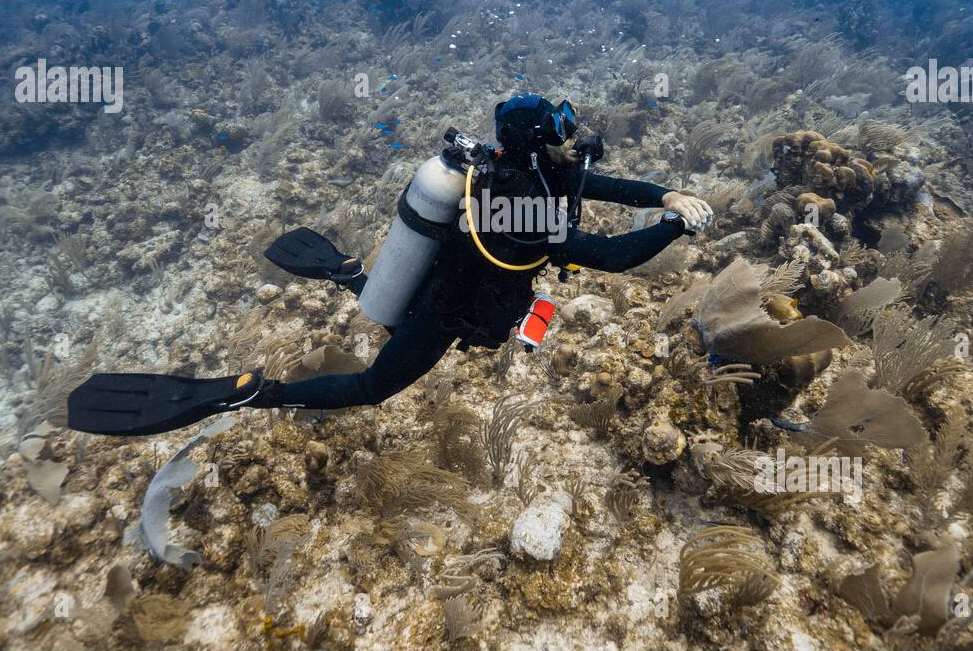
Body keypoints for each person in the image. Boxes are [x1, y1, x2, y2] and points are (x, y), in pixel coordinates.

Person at [68, 95, 712, 436]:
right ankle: (249, 394)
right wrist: (676, 224)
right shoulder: (518, 200)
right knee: (373, 387)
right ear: (535, 141)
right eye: (560, 127)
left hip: (451, 274)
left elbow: (599, 184)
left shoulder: (528, 168)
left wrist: (663, 195)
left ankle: (355, 276)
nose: (572, 136)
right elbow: (613, 255)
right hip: (451, 307)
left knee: (390, 305)